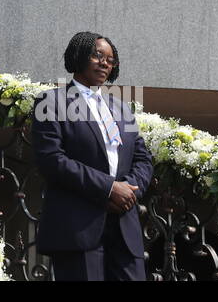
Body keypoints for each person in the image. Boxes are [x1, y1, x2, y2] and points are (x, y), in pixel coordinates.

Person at [30, 32, 153, 281]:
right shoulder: (51, 102)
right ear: (79, 55)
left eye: (111, 59)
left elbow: (143, 158)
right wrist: (108, 188)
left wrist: (128, 193)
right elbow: (52, 159)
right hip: (78, 227)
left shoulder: (122, 108)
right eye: (98, 55)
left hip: (124, 225)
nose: (105, 63)